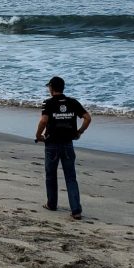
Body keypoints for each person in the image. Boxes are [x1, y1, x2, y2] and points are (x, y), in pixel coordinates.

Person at [35, 75, 91, 220]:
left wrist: (38, 135)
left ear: (52, 88)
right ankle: (76, 210)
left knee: (51, 175)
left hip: (52, 143)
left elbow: (43, 120)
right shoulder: (72, 102)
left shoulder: (48, 103)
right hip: (67, 143)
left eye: (49, 87)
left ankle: (52, 204)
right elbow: (87, 118)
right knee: (71, 177)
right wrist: (79, 132)